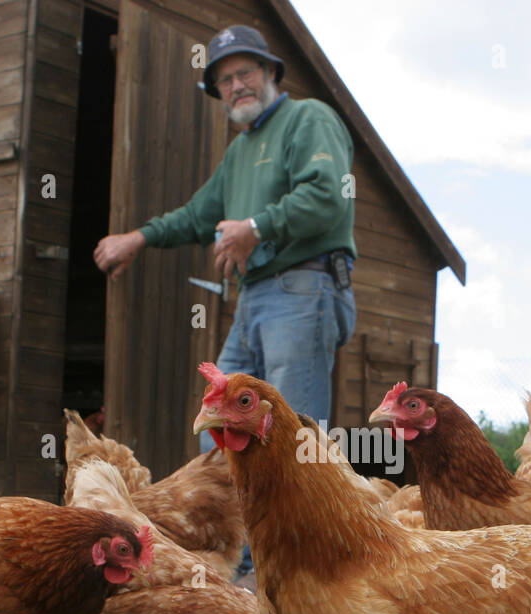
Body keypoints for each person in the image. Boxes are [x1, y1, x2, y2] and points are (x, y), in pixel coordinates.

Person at [94, 24, 357, 452]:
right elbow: (200, 215)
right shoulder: (240, 151)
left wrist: (253, 229)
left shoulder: (309, 119)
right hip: (252, 297)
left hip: (304, 289)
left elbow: (328, 196)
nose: (236, 86)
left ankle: (300, 521)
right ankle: (229, 520)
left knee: (291, 442)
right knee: (218, 433)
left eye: (245, 73)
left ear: (270, 72)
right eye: (225, 80)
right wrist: (140, 238)